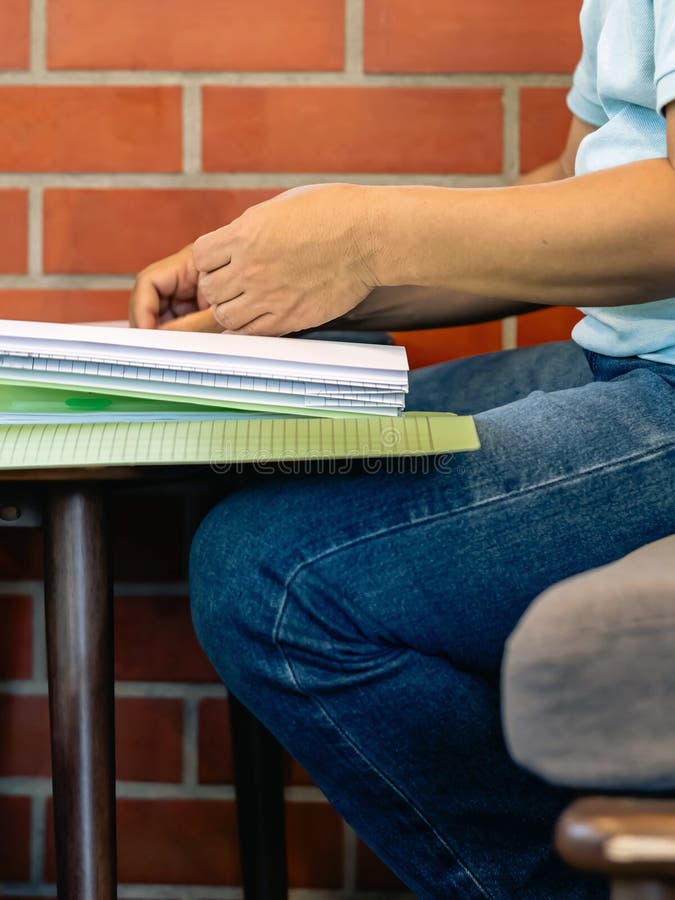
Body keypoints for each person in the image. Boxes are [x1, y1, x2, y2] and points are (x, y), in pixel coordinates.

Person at [129, 1, 675, 896]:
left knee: (275, 576)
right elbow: (568, 188)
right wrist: (291, 290)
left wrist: (370, 234)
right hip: (623, 357)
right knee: (273, 442)